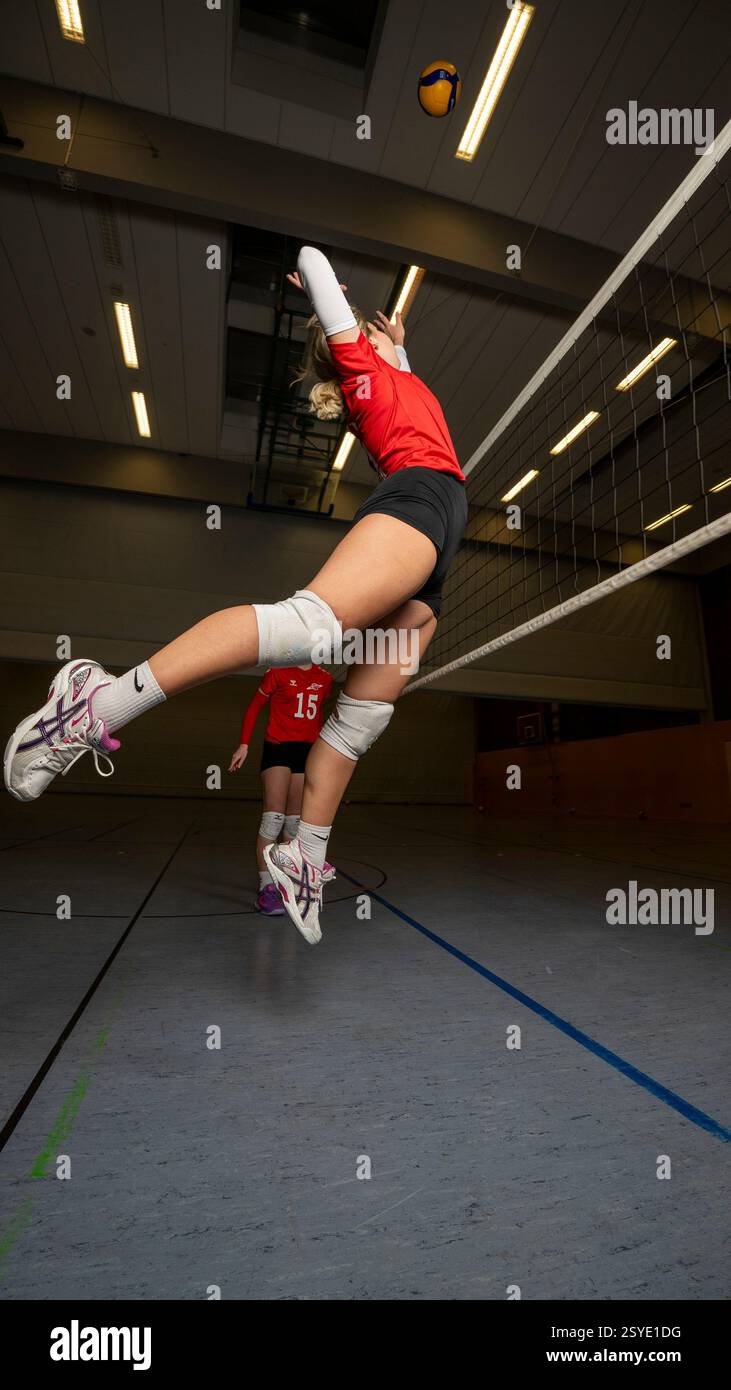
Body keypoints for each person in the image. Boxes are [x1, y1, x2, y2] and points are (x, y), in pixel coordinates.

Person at [4, 245, 468, 946]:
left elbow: (401, 368)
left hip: (440, 532)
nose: (374, 333)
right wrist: (324, 289)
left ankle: (303, 855)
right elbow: (311, 257)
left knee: (360, 721)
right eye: (363, 331)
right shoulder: (359, 367)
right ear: (347, 344)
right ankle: (93, 703)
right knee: (307, 628)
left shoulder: (390, 377)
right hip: (420, 499)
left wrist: (395, 345)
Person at [228, 663, 333, 915]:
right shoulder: (278, 672)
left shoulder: (325, 678)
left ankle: (286, 883)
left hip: (305, 751)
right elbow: (254, 707)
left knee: (293, 823)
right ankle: (266, 888)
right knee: (272, 819)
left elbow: (317, 714)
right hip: (278, 747)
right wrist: (243, 744)